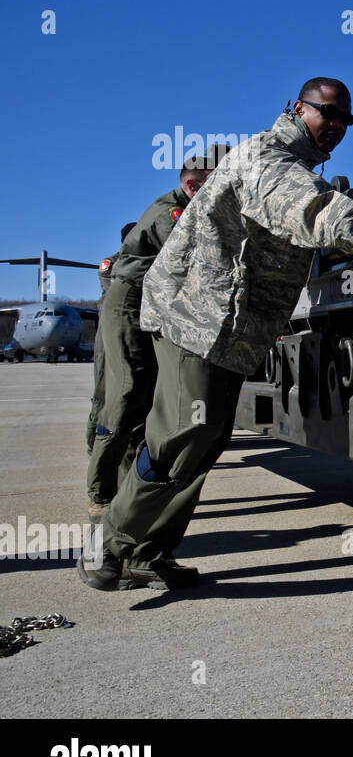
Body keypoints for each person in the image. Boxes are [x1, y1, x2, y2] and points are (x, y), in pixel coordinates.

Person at [78, 78, 353, 591]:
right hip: (196, 320)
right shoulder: (269, 160)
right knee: (180, 435)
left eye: (344, 120)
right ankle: (110, 546)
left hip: (228, 330)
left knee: (203, 442)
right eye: (326, 113)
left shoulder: (296, 166)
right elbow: (312, 210)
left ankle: (145, 553)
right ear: (297, 108)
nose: (335, 126)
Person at [85, 147, 225, 522]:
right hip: (129, 303)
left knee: (144, 400)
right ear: (193, 184)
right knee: (126, 395)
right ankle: (100, 494)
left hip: (149, 305)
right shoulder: (172, 213)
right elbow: (193, 257)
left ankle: (128, 489)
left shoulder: (187, 210)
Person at [86, 222, 136, 454]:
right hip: (109, 332)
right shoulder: (112, 263)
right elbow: (115, 289)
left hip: (133, 331)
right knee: (103, 391)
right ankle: (95, 443)